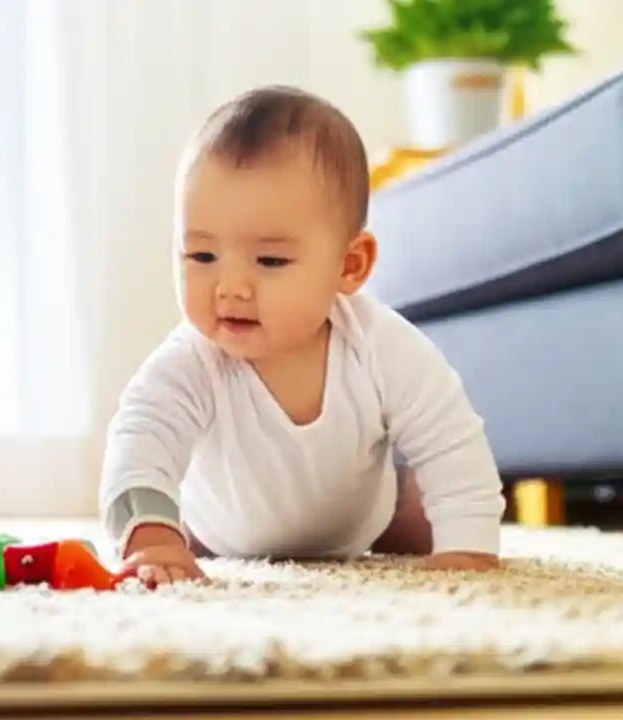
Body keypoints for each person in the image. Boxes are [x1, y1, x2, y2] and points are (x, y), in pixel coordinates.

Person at [98, 86, 506, 587]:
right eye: (201, 256)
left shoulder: (382, 346)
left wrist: (469, 545)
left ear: (350, 265)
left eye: (269, 261)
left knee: (425, 501)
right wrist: (153, 540)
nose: (231, 287)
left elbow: (450, 436)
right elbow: (141, 441)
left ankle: (419, 524)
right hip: (220, 533)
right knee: (172, 527)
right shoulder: (192, 361)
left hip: (364, 524)